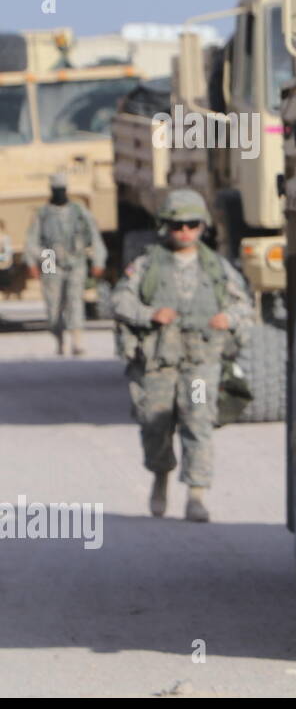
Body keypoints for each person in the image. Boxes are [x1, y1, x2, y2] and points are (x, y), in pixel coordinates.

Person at [112, 190, 253, 522]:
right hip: (158, 362)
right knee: (155, 425)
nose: (185, 232)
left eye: (192, 225)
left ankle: (196, 494)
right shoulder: (147, 265)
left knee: (197, 421)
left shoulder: (216, 267)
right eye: (177, 226)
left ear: (202, 226)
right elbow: (118, 301)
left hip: (200, 363)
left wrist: (227, 319)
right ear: (165, 227)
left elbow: (243, 306)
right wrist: (150, 314)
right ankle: (160, 479)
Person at [23, 173, 107, 355]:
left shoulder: (79, 211)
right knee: (53, 304)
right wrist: (31, 262)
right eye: (56, 190)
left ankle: (77, 342)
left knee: (74, 301)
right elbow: (32, 239)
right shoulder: (43, 213)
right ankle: (59, 340)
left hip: (75, 259)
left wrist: (98, 260)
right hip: (49, 256)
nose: (59, 193)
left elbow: (94, 236)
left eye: (62, 190)